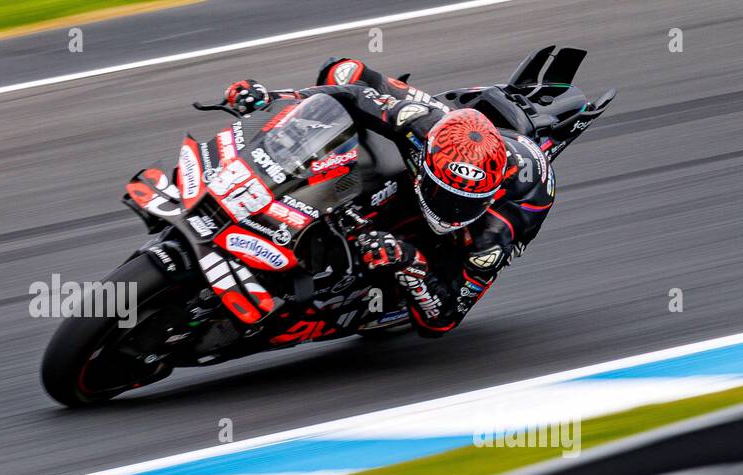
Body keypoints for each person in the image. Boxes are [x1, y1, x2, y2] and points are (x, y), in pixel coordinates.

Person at [222, 58, 557, 337]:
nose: (451, 210)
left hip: (489, 221)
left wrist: (409, 259)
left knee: (418, 261)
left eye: (464, 201)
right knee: (343, 70)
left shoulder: (494, 236)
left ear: (489, 194)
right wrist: (276, 98)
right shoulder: (421, 125)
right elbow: (351, 95)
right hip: (444, 129)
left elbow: (443, 319)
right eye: (443, 193)